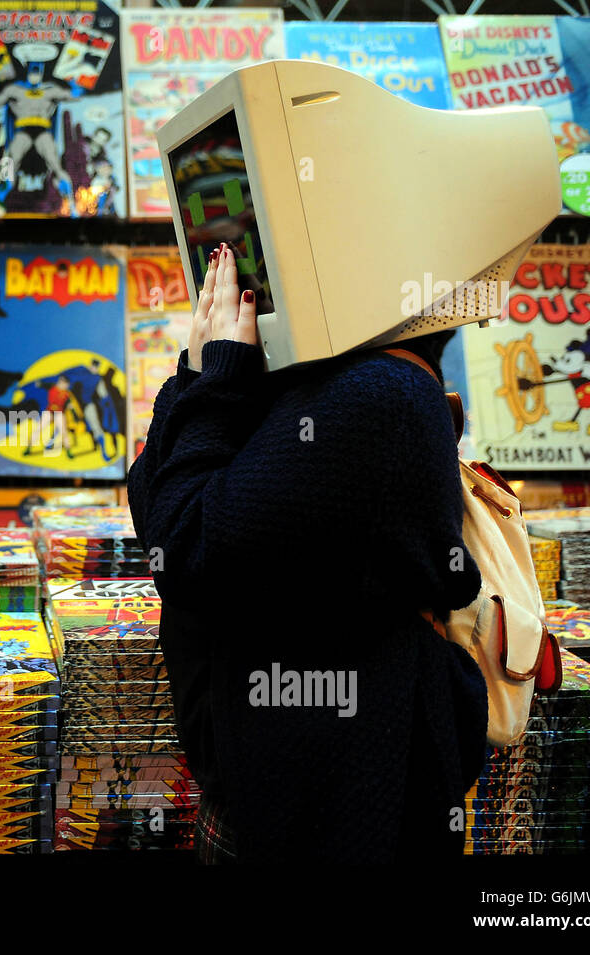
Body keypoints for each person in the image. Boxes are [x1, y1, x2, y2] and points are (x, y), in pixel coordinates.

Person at [127, 242, 488, 862]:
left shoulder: (375, 393)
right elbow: (155, 502)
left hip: (333, 798)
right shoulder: (323, 379)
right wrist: (200, 375)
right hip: (285, 774)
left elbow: (181, 540)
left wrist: (210, 382)